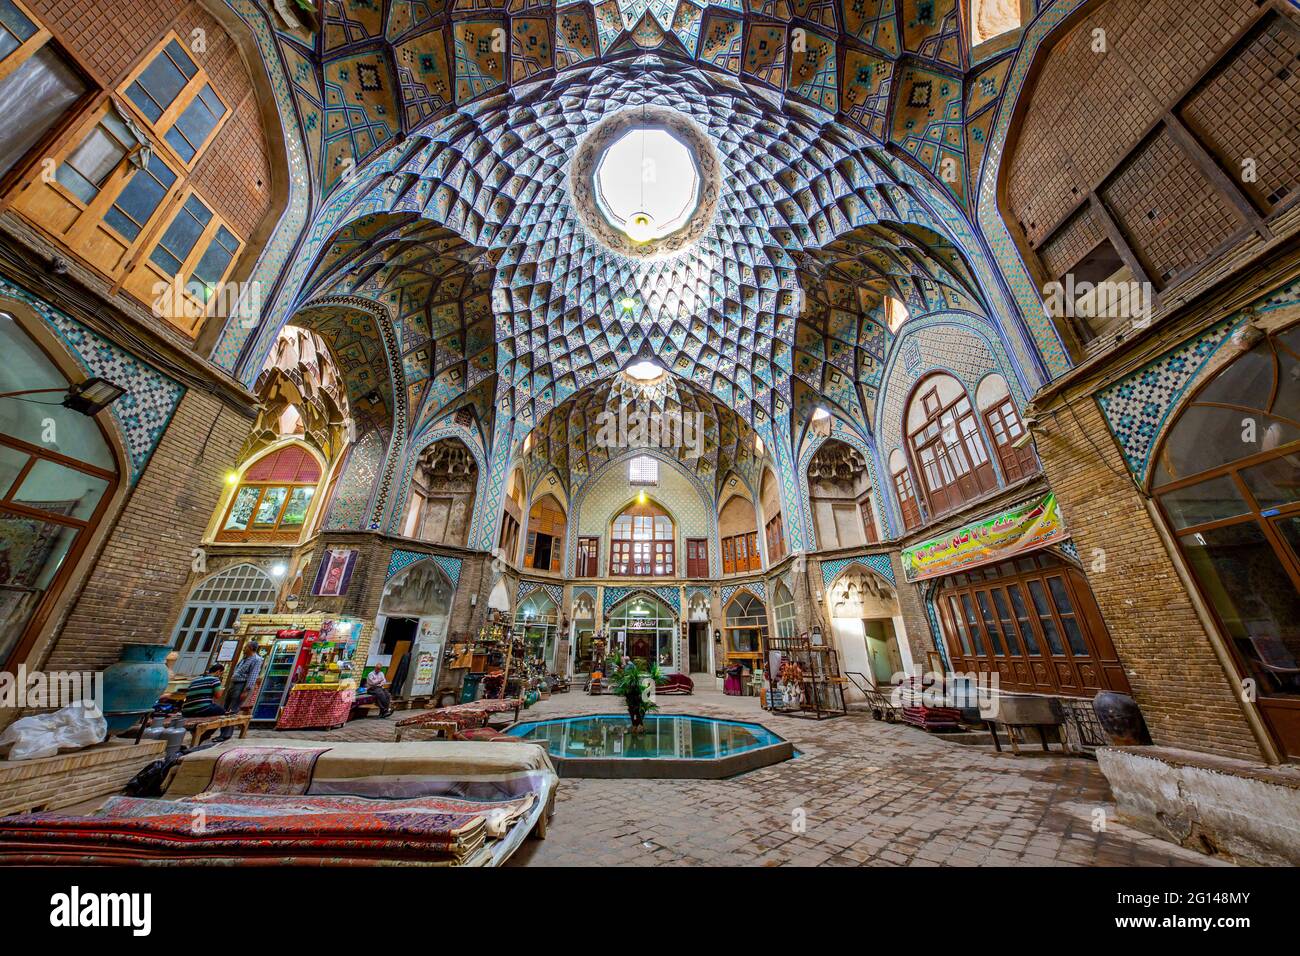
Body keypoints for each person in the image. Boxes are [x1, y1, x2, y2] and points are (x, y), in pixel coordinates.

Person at [225, 642, 262, 716]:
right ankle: (222, 726)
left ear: (251, 648)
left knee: (233, 708)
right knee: (226, 706)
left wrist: (246, 690)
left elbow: (253, 676)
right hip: (234, 684)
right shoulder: (245, 658)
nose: (243, 649)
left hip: (241, 685)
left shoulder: (256, 659)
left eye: (245, 647)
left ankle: (228, 727)